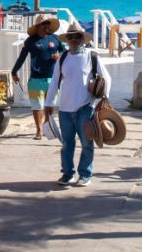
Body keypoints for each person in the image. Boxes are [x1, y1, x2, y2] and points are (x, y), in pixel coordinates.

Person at [45, 21, 112, 188]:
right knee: (67, 144)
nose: (74, 39)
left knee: (87, 143)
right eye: (70, 37)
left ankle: (85, 174)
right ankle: (67, 173)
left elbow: (107, 78)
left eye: (77, 36)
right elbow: (54, 82)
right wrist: (49, 103)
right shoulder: (62, 59)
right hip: (65, 109)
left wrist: (99, 101)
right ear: (67, 40)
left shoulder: (92, 57)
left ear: (83, 38)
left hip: (85, 108)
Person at [12, 13, 62, 141]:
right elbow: (22, 57)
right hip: (36, 78)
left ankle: (47, 125)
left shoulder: (55, 38)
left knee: (50, 104)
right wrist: (14, 72)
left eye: (47, 23)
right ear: (38, 26)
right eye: (43, 24)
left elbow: (64, 51)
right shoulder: (30, 41)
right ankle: (39, 129)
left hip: (53, 78)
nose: (46, 26)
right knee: (37, 106)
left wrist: (59, 56)